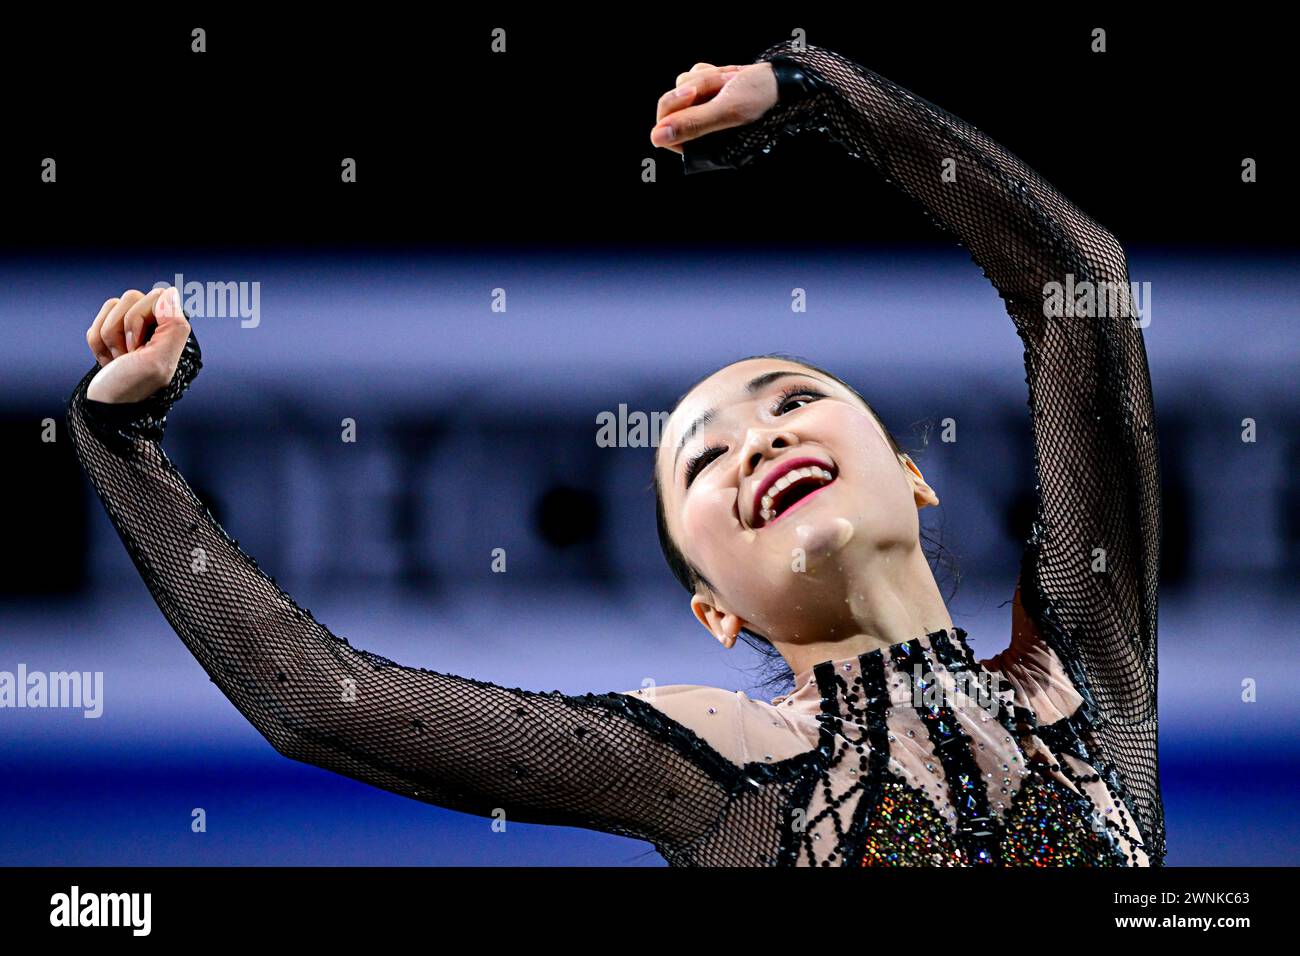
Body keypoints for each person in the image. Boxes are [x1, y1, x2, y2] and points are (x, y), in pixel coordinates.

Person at [67, 37, 1163, 866]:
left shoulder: (1088, 665)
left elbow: (1082, 287)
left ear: (913, 475)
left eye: (792, 400)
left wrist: (813, 92)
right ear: (714, 610)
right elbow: (316, 698)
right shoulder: (716, 766)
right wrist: (121, 437)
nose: (760, 439)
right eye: (701, 459)